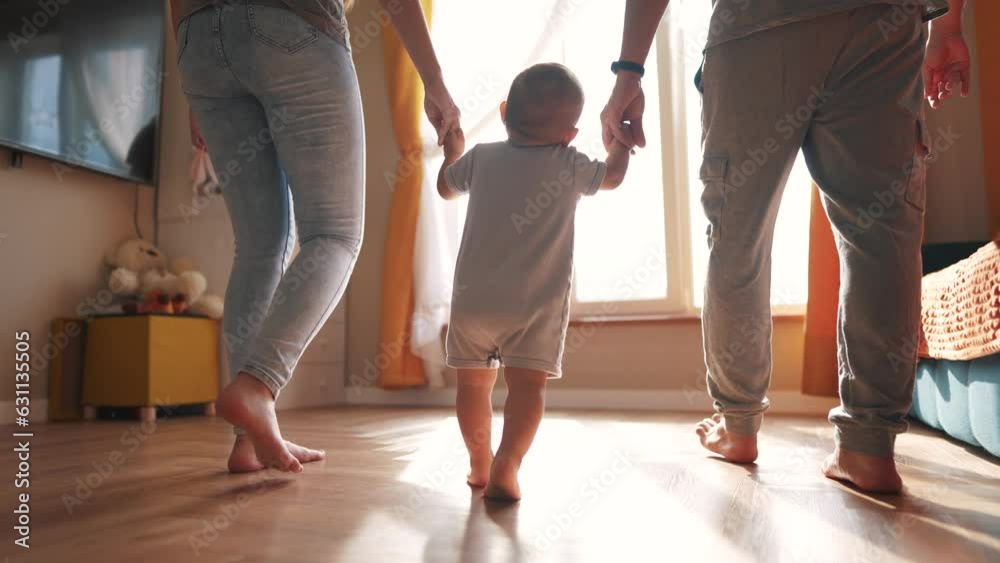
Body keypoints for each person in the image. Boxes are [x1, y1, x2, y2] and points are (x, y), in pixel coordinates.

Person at [602, 0, 970, 493]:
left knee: (737, 232)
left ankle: (737, 425)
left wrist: (628, 72)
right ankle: (869, 445)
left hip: (759, 20)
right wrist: (949, 23)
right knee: (880, 234)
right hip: (882, 19)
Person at [168, 0, 461, 473]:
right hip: (292, 24)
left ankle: (249, 439)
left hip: (197, 42)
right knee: (335, 234)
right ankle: (257, 386)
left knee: (258, 246)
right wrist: (435, 81)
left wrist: (192, 79)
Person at [439, 63, 632, 501]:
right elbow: (614, 176)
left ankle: (479, 462)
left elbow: (445, 188)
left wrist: (453, 149)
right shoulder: (569, 162)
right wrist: (619, 142)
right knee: (527, 388)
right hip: (534, 308)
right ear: (570, 134)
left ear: (504, 111)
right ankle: (507, 464)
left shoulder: (481, 158)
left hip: (473, 304)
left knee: (472, 386)